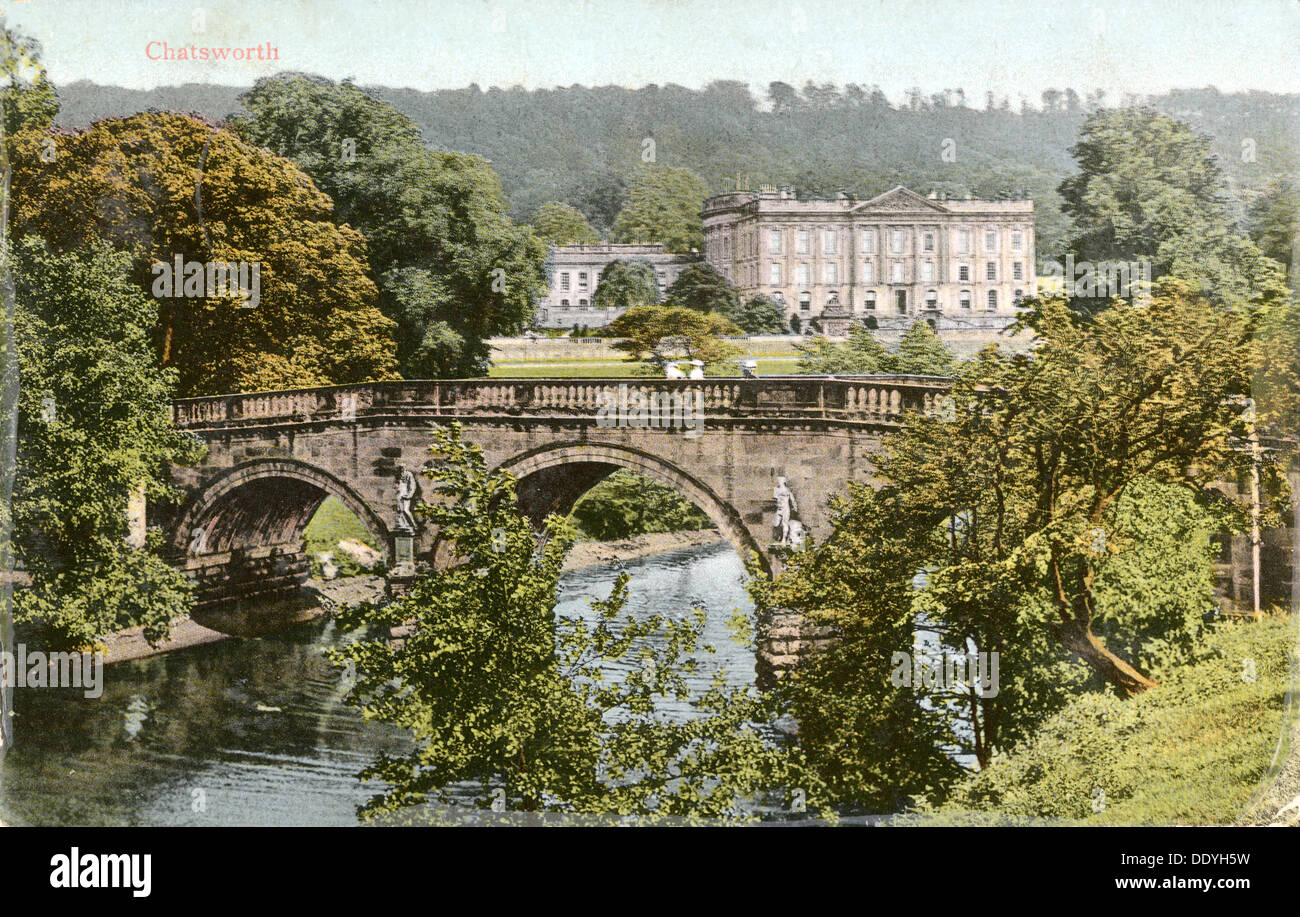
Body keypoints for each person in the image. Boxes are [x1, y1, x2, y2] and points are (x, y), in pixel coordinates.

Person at [773, 476, 798, 544]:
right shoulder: (776, 489)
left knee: (785, 523)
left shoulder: (788, 490)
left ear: (783, 481)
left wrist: (794, 507)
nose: (778, 481)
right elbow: (775, 499)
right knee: (776, 524)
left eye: (780, 480)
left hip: (785, 508)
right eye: (778, 480)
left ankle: (784, 539)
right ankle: (780, 535)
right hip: (779, 508)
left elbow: (792, 499)